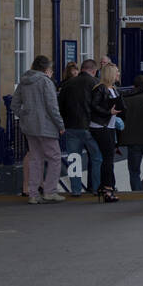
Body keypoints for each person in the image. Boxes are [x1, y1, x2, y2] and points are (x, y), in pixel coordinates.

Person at [12, 55, 65, 204]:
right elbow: (52, 107)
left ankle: (33, 193)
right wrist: (60, 125)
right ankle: (50, 191)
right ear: (47, 68)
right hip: (46, 126)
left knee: (35, 159)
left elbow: (14, 104)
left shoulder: (23, 81)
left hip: (29, 126)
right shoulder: (45, 82)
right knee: (55, 158)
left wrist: (24, 115)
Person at [89, 63, 141, 203]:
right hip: (101, 127)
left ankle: (106, 186)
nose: (118, 74)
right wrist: (109, 112)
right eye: (116, 72)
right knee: (107, 158)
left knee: (108, 157)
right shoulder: (99, 89)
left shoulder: (114, 89)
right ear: (110, 74)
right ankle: (107, 187)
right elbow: (93, 106)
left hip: (110, 126)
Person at [57, 58, 100, 196]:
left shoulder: (68, 84)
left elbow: (60, 106)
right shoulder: (96, 83)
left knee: (74, 159)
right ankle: (96, 187)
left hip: (71, 127)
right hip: (90, 127)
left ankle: (76, 190)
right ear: (94, 71)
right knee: (96, 158)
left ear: (81, 69)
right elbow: (99, 106)